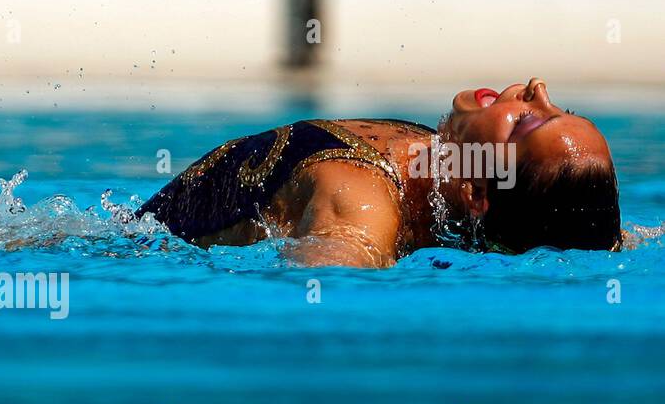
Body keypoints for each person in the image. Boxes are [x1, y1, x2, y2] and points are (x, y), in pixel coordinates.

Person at [135, 78, 620, 267]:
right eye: (558, 105)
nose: (537, 88)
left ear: (474, 189)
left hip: (129, 258)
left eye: (530, 121)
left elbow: (330, 268)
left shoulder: (356, 194)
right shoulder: (430, 160)